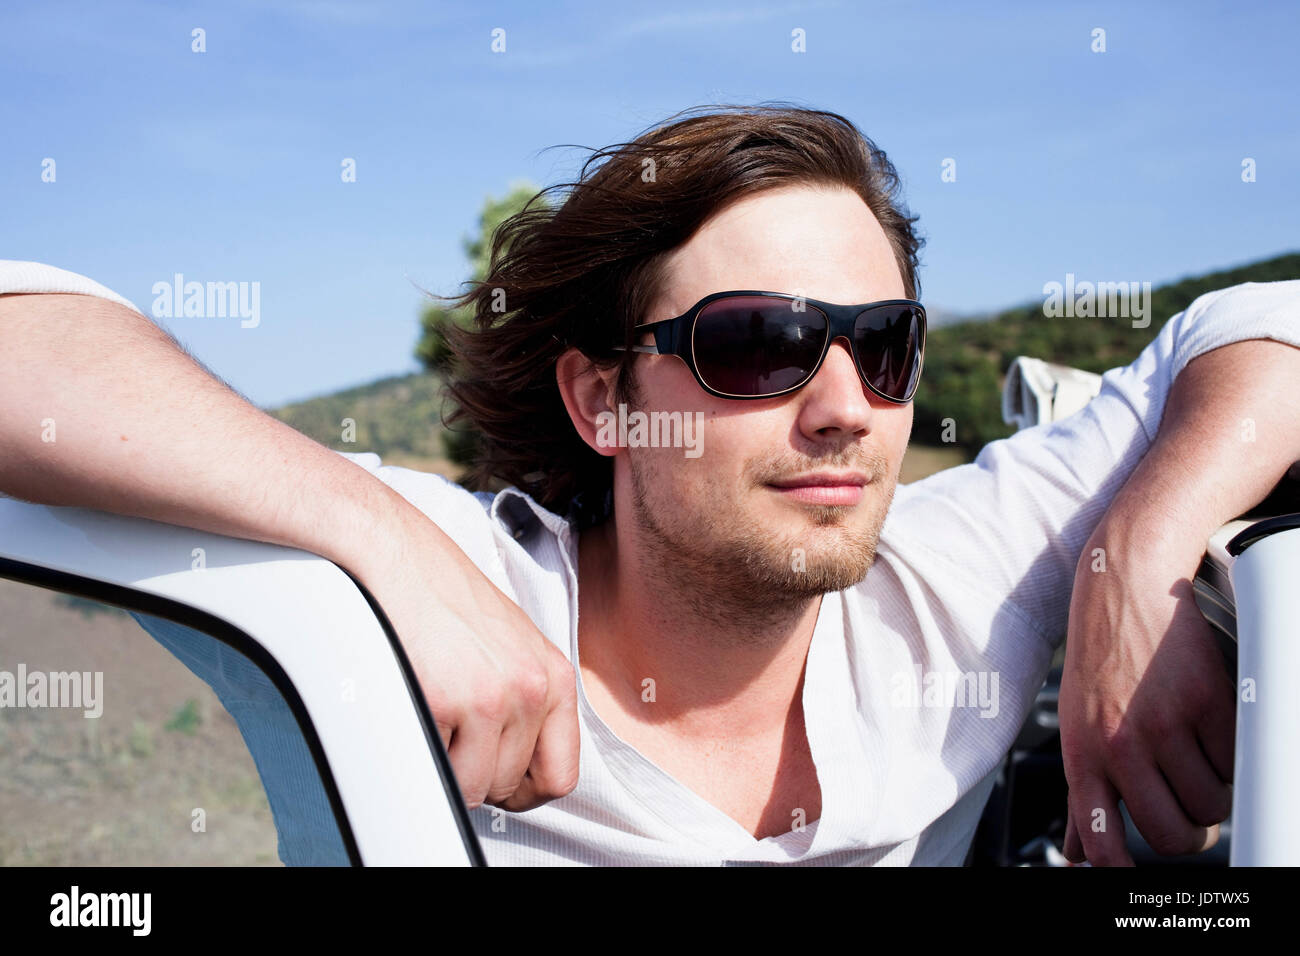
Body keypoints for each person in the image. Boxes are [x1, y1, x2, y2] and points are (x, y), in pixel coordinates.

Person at [2, 104, 1298, 866]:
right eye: (758, 346)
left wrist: (1141, 546)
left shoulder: (967, 579)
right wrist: (380, 544)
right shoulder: (456, 588)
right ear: (600, 400)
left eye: (884, 347)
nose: (846, 408)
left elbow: (1261, 321)